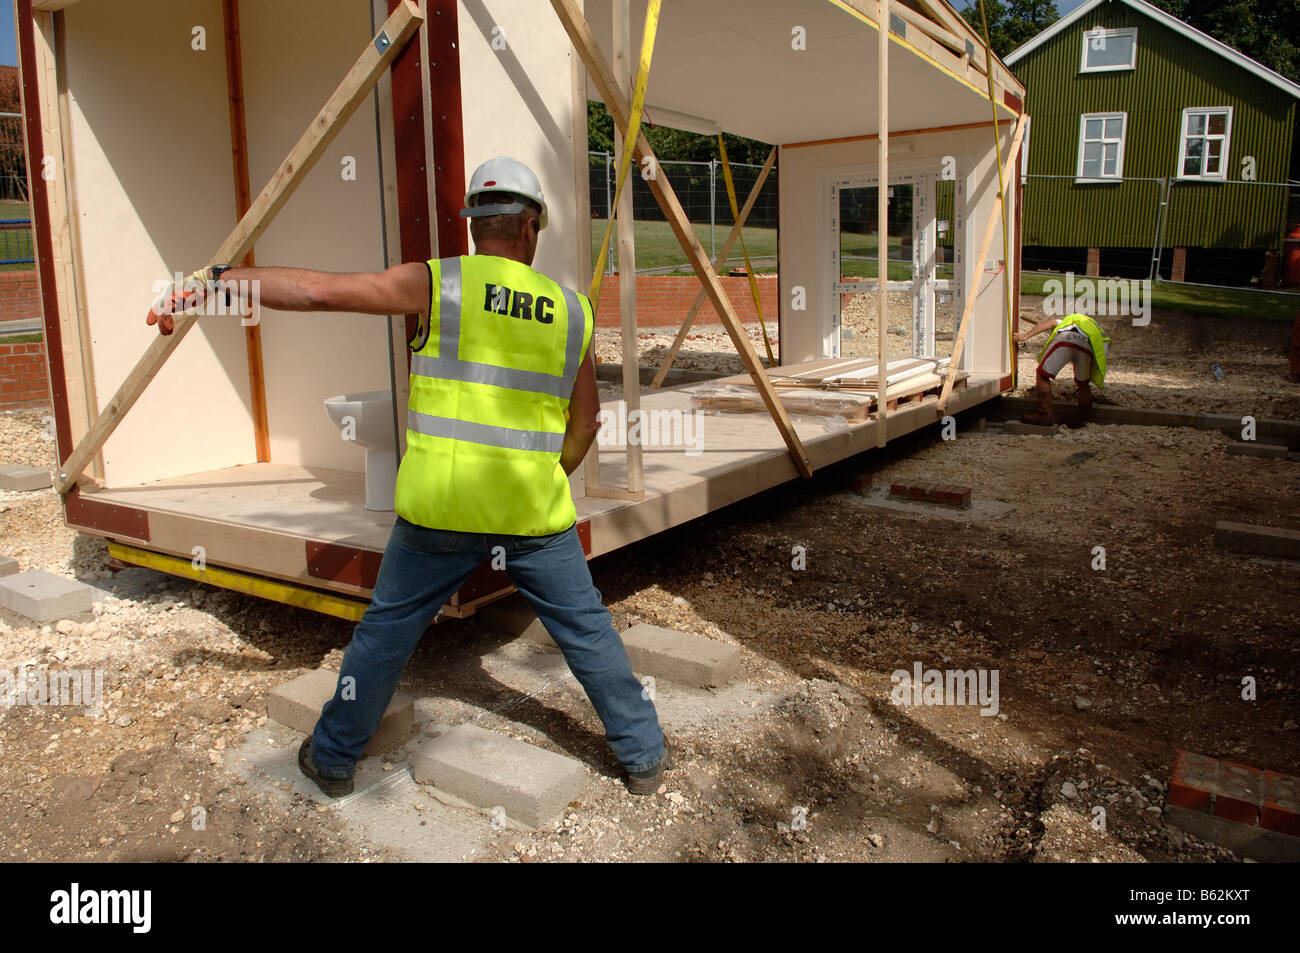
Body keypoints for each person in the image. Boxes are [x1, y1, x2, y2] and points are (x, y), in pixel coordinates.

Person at [147, 157, 672, 796]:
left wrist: (213, 281)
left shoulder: (436, 285)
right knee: (587, 631)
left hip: (436, 515)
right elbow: (586, 424)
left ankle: (334, 761)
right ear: (531, 225)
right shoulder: (572, 311)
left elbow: (317, 292)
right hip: (534, 516)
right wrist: (544, 475)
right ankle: (642, 756)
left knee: (386, 637)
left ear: (474, 224)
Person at [1013, 312, 1110, 425]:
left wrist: (1025, 336)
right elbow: (1103, 348)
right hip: (1088, 344)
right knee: (1083, 382)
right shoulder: (1097, 330)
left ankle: (1044, 414)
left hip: (1067, 337)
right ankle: (1083, 417)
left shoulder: (1067, 321)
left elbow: (1049, 323)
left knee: (1043, 374)